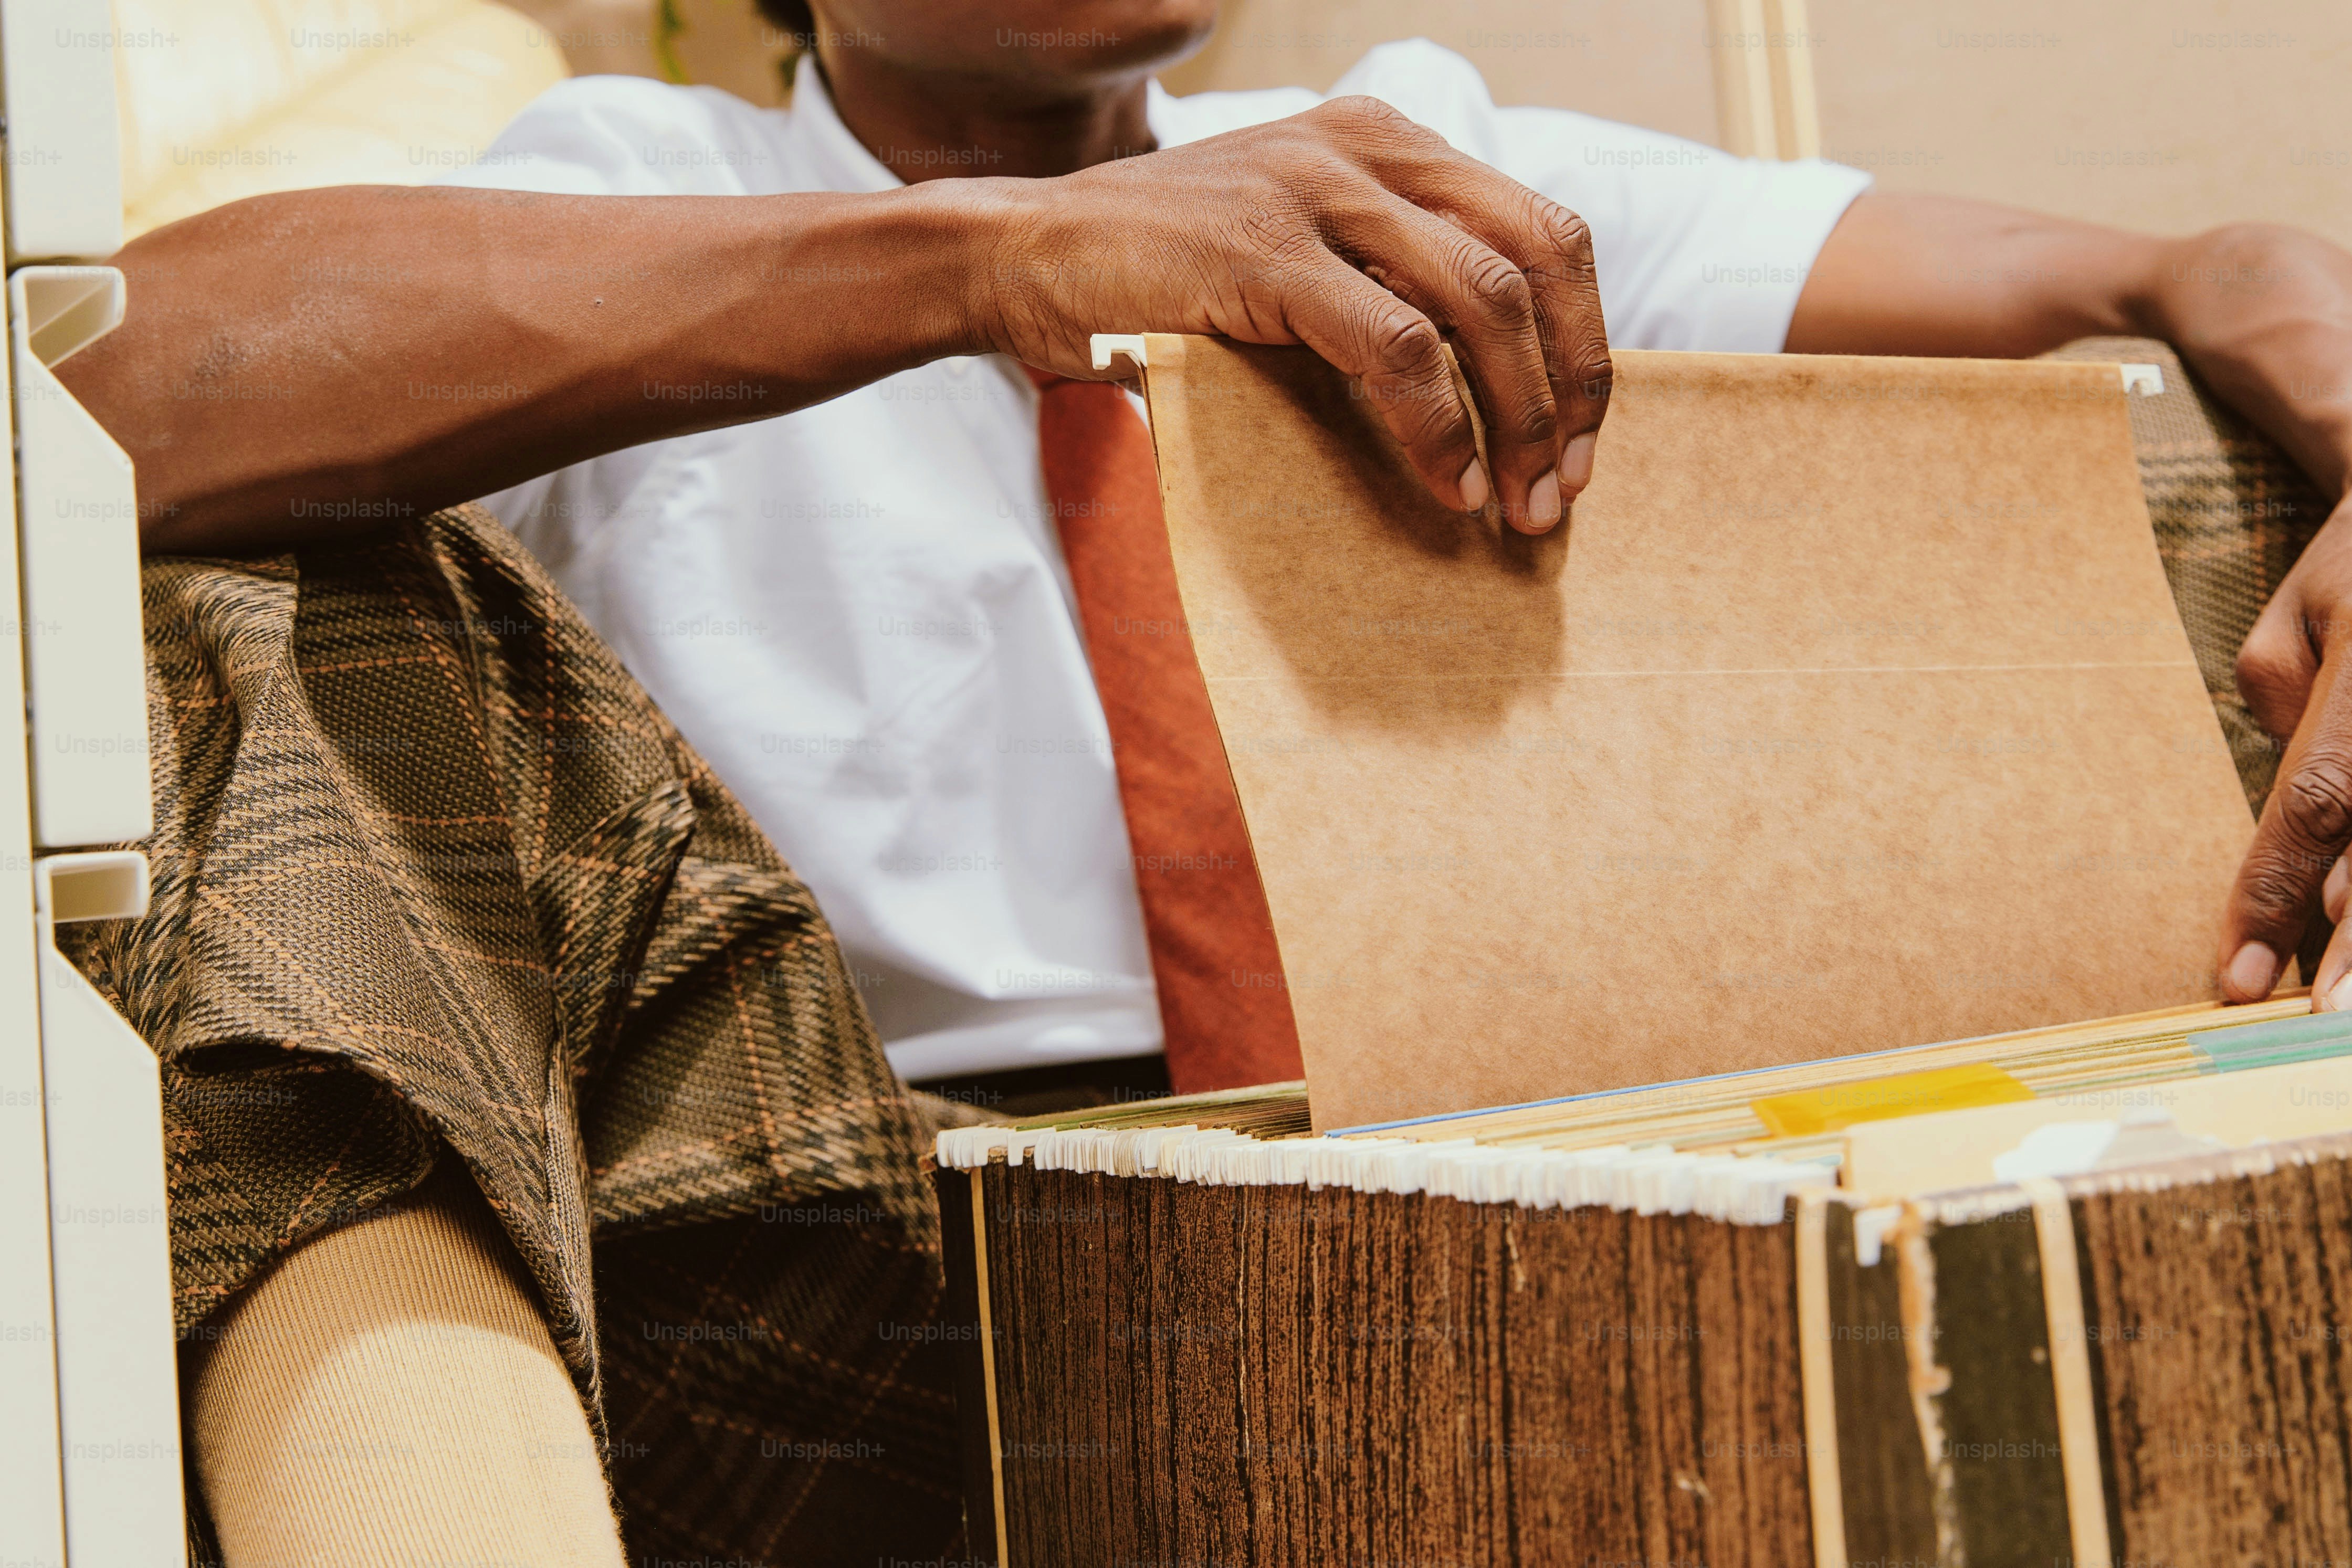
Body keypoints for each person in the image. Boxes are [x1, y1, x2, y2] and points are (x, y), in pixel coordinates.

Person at [52, 0, 2352, 1555]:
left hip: (1473, 1202)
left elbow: (2188, 272)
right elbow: (105, 401)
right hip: (889, 1251)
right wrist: (998, 257)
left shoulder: (1430, 166)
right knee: (252, 603)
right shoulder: (647, 172)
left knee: (2218, 497)